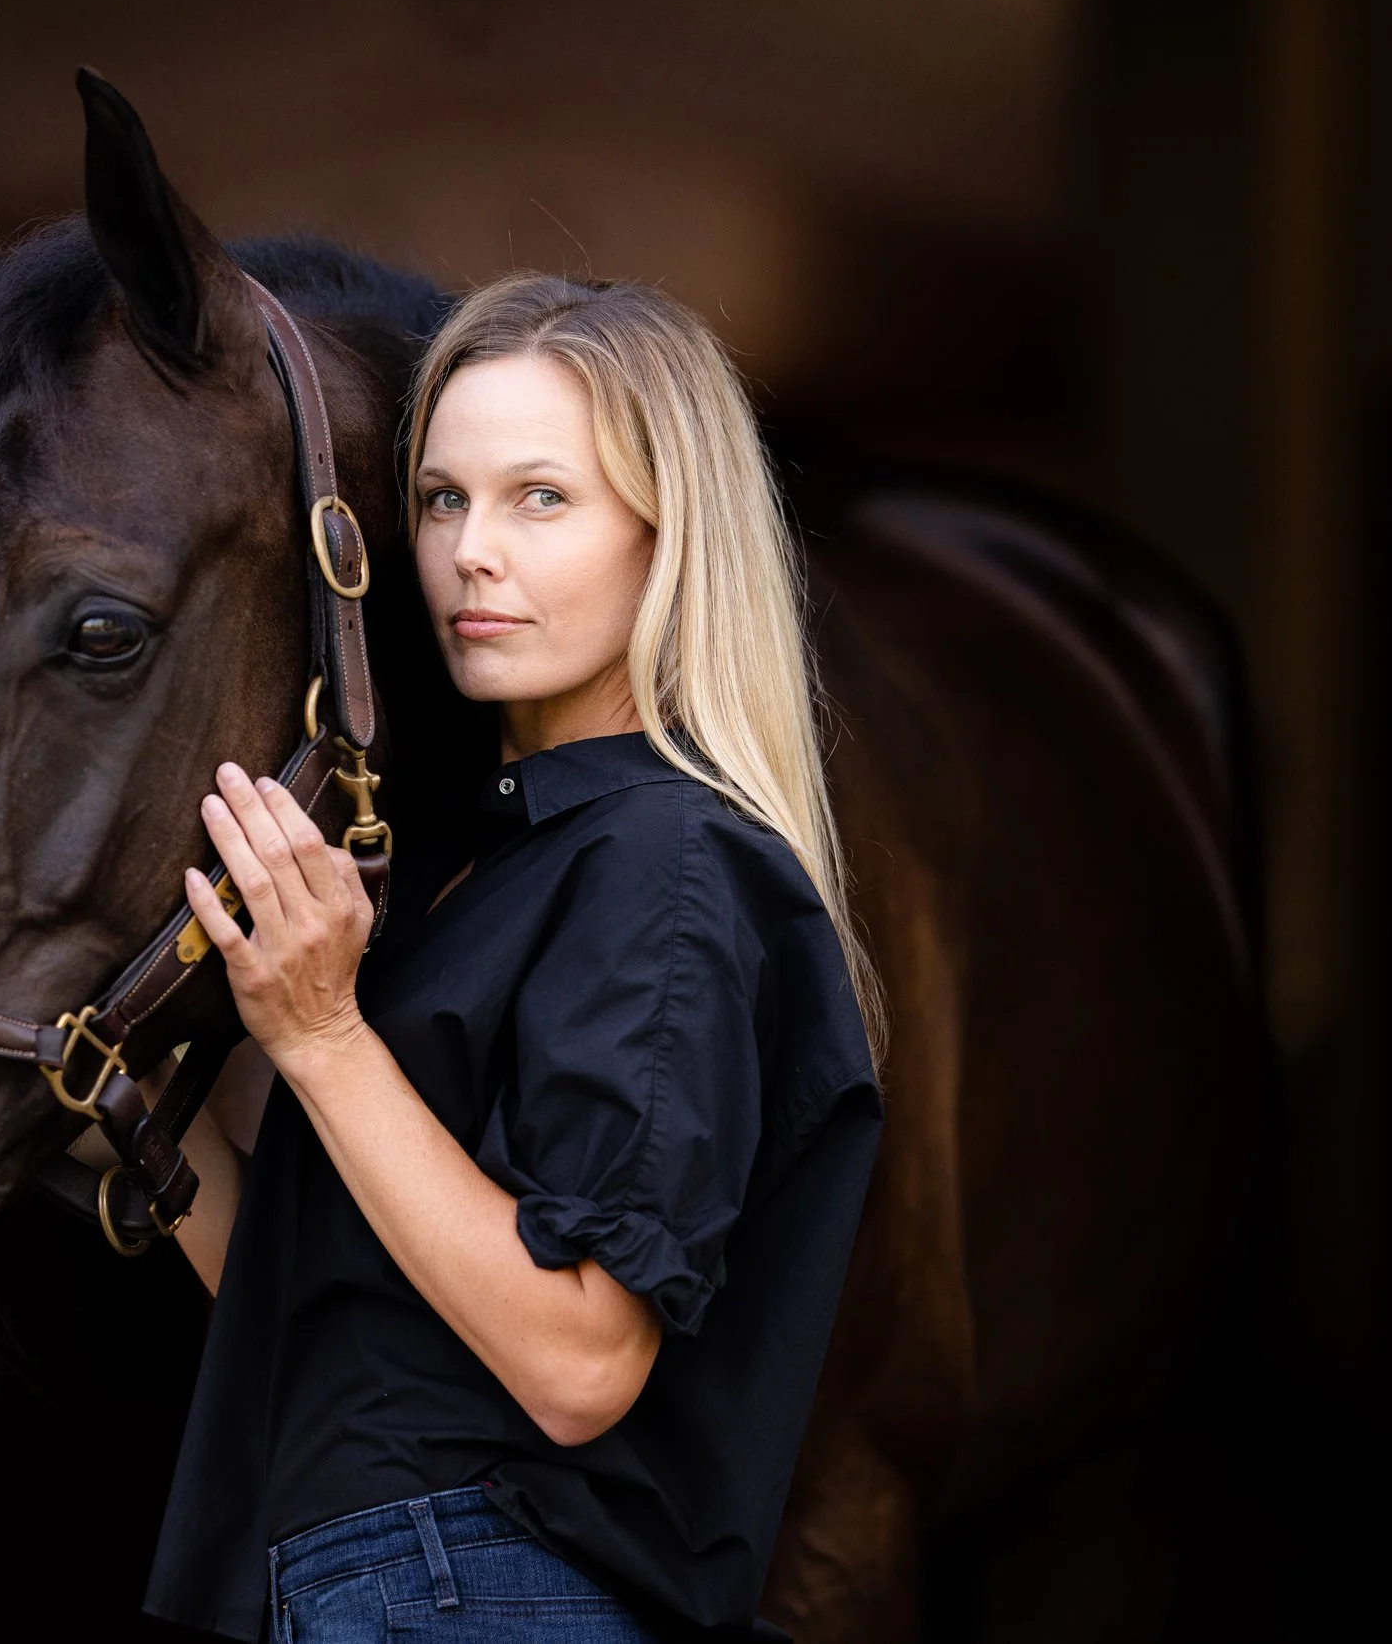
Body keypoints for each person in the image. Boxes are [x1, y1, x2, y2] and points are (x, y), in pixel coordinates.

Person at [141, 272, 886, 1643]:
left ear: (672, 539)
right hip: (381, 1581)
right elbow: (346, 1324)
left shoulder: (668, 860)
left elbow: (578, 1357)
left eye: (543, 497)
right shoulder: (458, 870)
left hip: (485, 1588)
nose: (472, 550)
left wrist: (320, 1037)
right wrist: (132, 1126)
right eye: (442, 498)